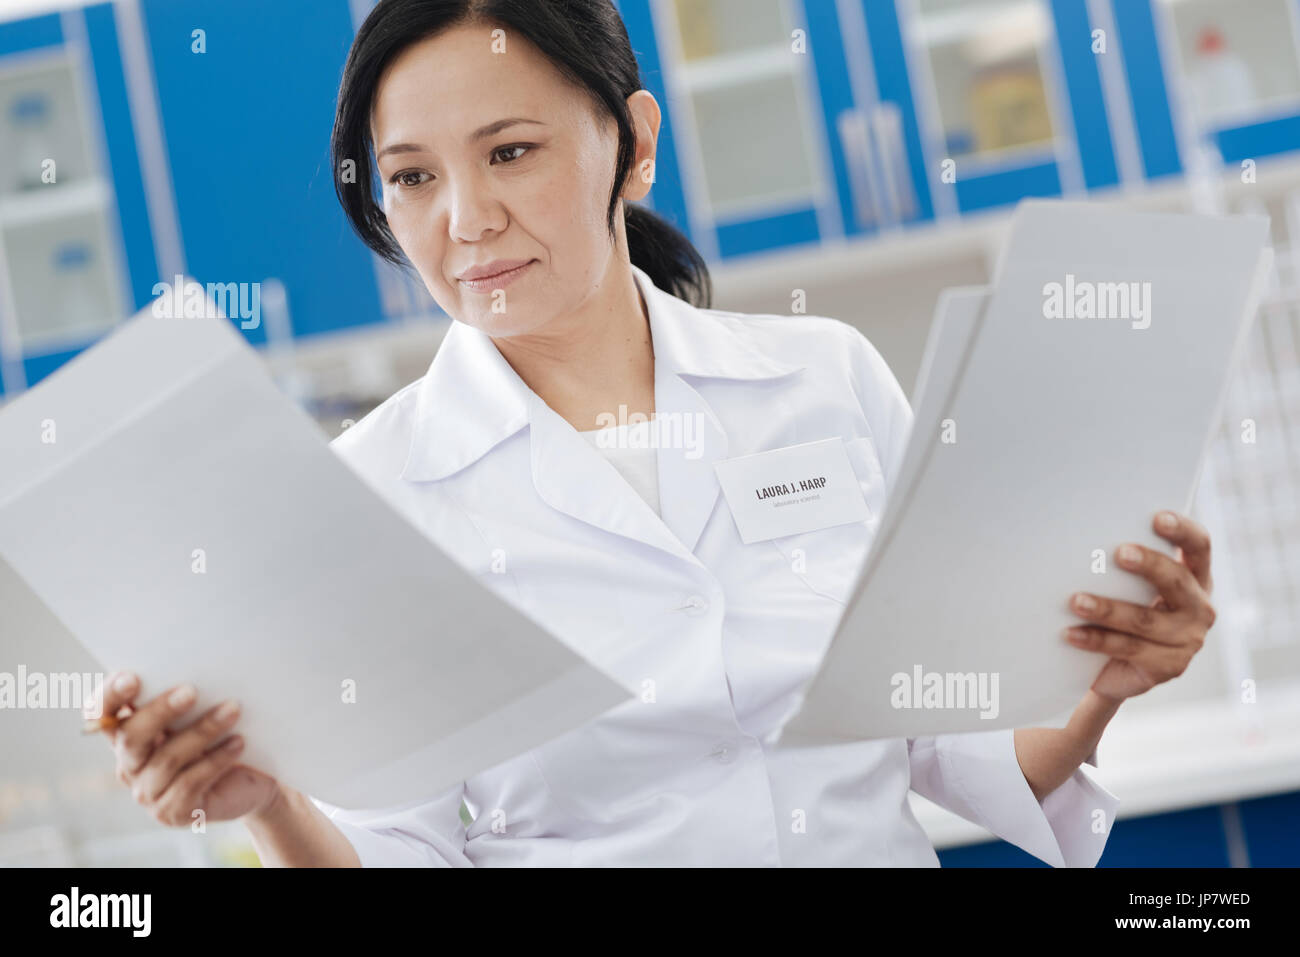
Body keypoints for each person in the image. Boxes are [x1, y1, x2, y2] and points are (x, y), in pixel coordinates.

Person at [87, 0, 1217, 866]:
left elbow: (956, 741)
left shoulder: (820, 380)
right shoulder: (367, 498)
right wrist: (272, 804)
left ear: (631, 142)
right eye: (412, 178)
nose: (466, 220)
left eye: (510, 152)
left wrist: (1102, 680)